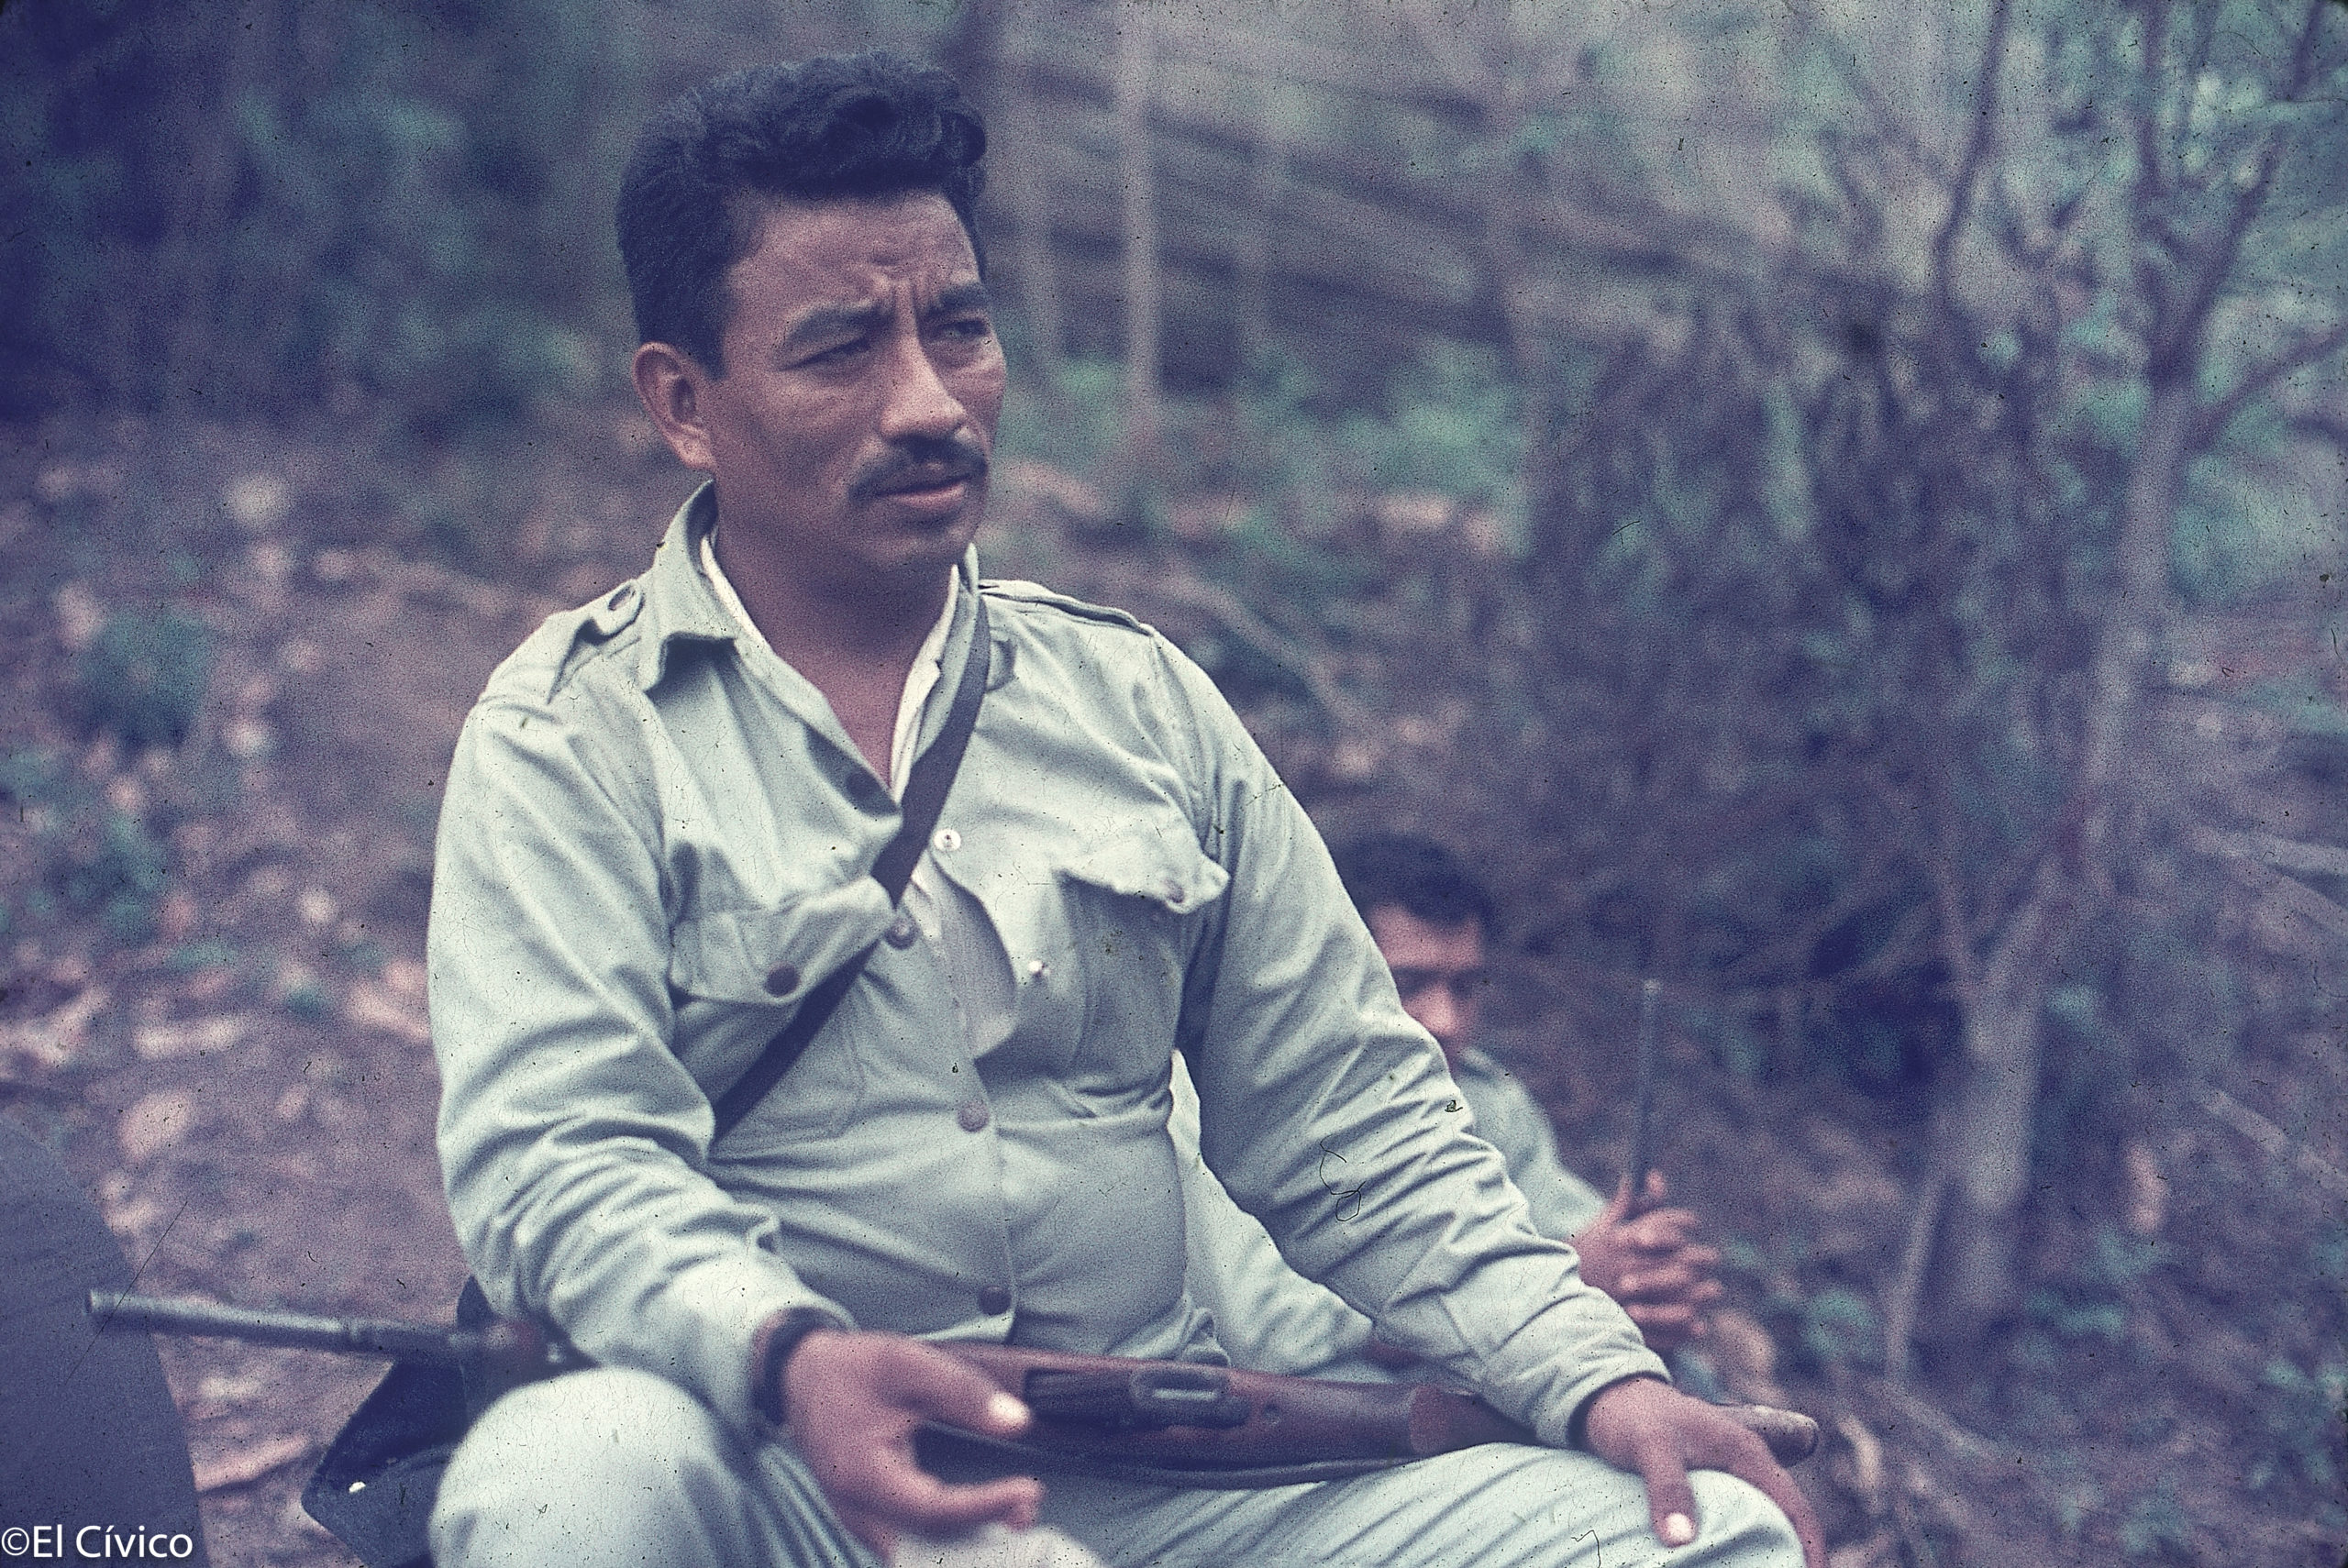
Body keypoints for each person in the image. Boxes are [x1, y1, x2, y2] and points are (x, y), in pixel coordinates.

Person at [421, 50, 1822, 1568]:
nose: (927, 402)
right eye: (840, 351)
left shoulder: (1140, 706)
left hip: (1184, 1495)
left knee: (1707, 1537)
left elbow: (1353, 1117)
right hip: (774, 1466)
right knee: (568, 1478)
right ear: (683, 403)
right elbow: (559, 1159)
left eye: (958, 331)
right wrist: (783, 1353)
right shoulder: (571, 740)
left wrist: (1596, 1372)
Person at [1175, 834, 1724, 1383]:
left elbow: (1569, 1230)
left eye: (1464, 988)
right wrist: (1560, 1282)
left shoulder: (1485, 1098)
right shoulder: (1231, 1096)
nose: (1443, 1020)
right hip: (1301, 1421)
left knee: (1672, 1377)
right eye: (1407, 985)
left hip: (1453, 1388)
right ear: (1325, 975)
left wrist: (1642, 1267)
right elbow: (1274, 1332)